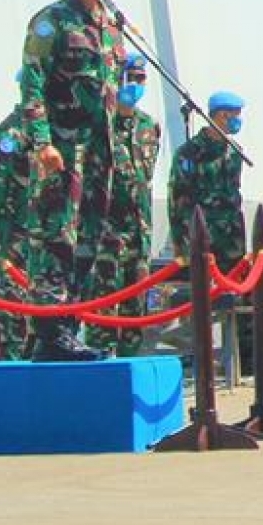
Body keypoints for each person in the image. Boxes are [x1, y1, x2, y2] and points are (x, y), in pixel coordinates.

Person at [17, 0, 123, 361]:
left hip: (100, 153)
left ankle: (70, 326)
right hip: (63, 148)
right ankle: (50, 332)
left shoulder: (111, 23)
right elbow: (33, 84)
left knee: (89, 240)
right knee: (56, 238)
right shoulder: (53, 21)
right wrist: (42, 142)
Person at [87, 52, 161, 352]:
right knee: (102, 314)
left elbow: (146, 178)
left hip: (138, 235)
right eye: (131, 78)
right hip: (106, 235)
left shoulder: (148, 127)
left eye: (141, 79)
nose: (136, 85)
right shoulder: (99, 125)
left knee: (135, 315)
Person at [0, 101, 42, 361]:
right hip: (16, 245)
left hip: (43, 245)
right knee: (13, 324)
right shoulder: (10, 135)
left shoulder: (49, 132)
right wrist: (4, 246)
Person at [166, 91, 248, 265]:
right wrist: (179, 243)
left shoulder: (235, 151)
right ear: (222, 115)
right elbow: (177, 198)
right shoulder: (189, 152)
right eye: (236, 114)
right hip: (202, 237)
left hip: (231, 240)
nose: (239, 119)